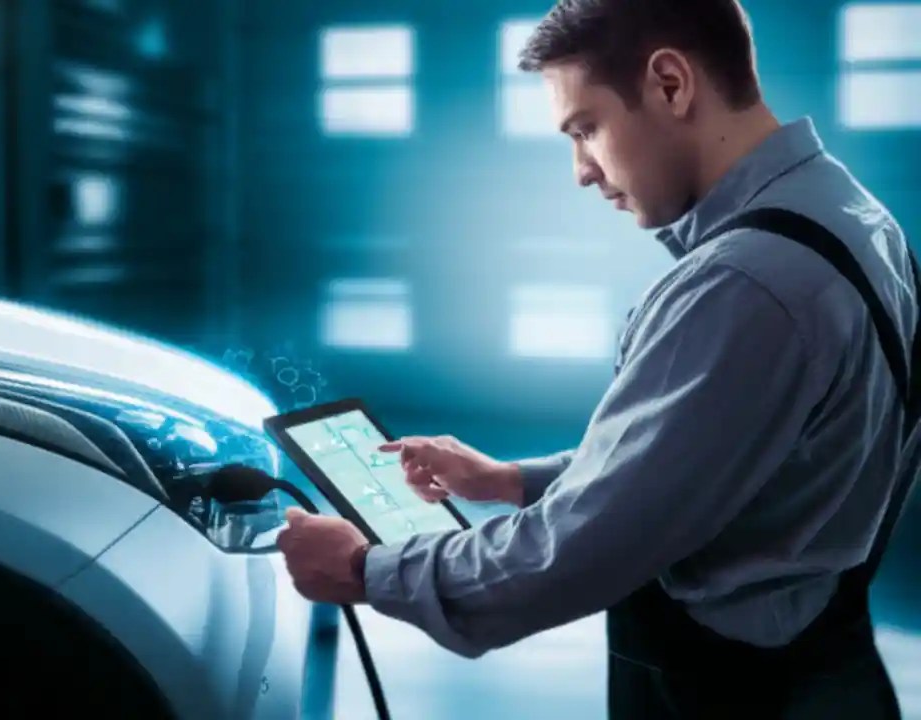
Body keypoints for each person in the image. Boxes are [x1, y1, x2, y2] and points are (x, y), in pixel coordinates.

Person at [274, 0, 917, 717]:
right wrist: (513, 480)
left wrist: (366, 568)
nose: (581, 170)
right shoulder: (855, 219)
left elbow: (576, 553)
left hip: (732, 699)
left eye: (586, 128)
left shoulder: (741, 283)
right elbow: (717, 456)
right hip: (825, 673)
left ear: (670, 84)